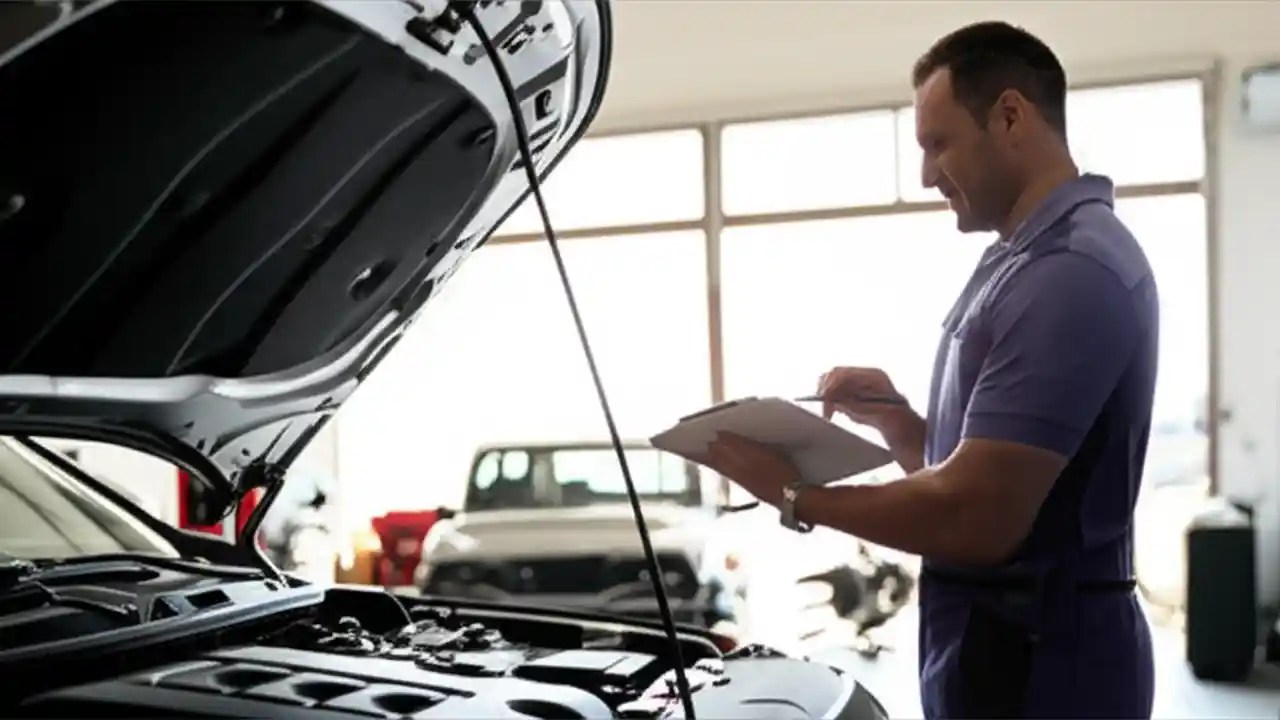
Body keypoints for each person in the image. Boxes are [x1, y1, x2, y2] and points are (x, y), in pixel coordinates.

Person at [702, 21, 1159, 719]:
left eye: (937, 143)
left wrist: (794, 495)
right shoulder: (1018, 259)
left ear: (1009, 115)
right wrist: (900, 425)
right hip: (999, 647)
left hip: (1045, 665)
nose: (924, 175)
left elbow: (979, 516)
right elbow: (983, 475)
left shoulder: (1069, 272)